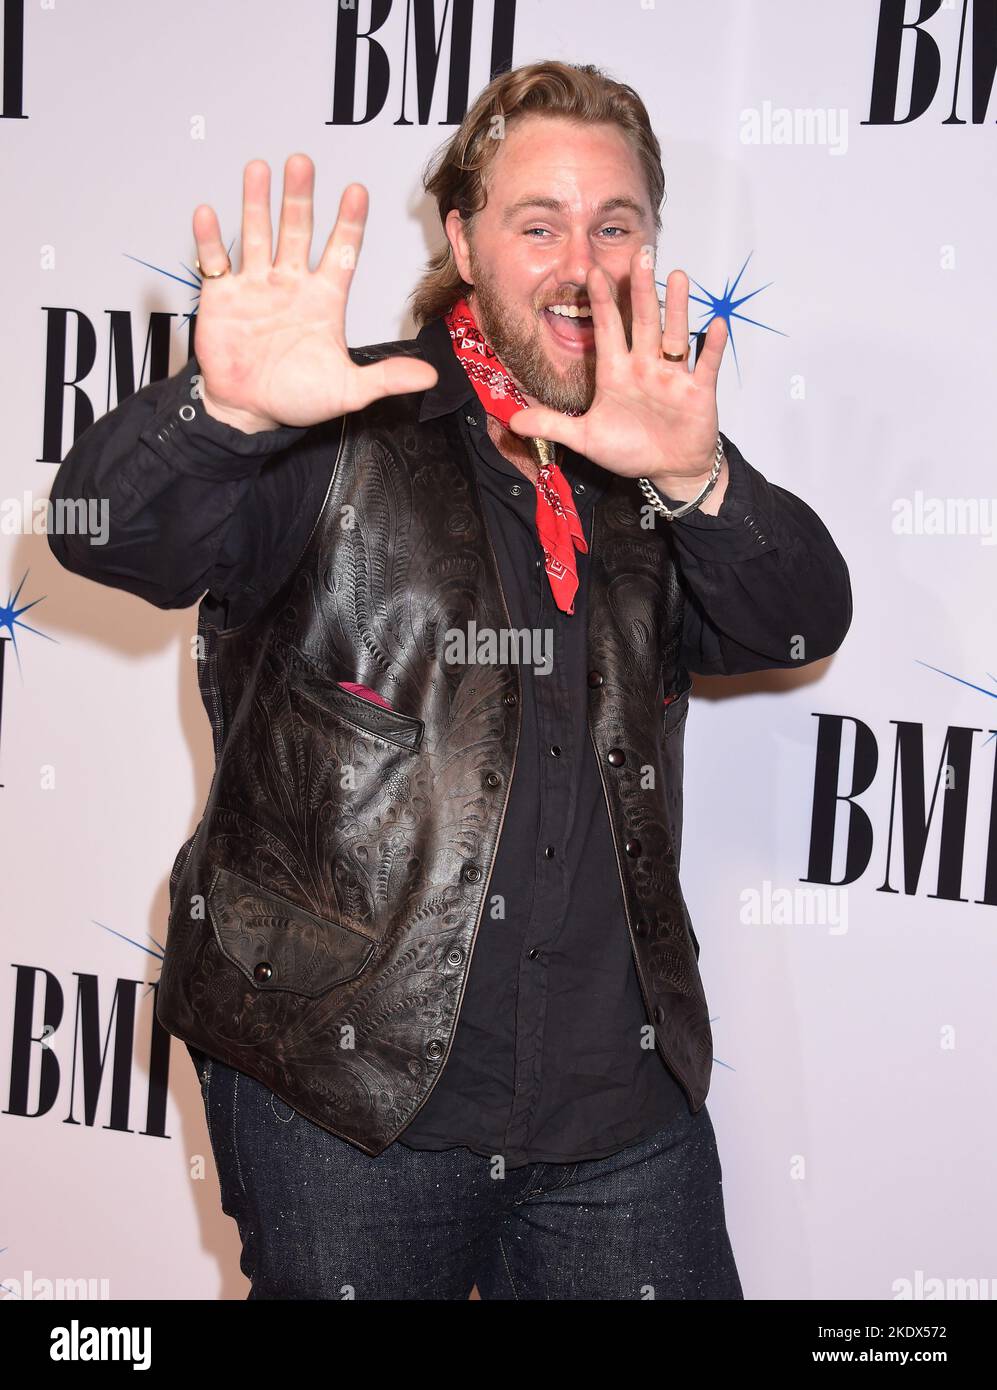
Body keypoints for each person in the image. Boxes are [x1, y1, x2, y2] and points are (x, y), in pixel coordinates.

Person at [48, 60, 851, 1300]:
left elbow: (799, 624)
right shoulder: (339, 417)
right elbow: (105, 534)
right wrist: (220, 413)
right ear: (466, 242)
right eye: (539, 225)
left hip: (614, 1116)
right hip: (341, 1097)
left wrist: (700, 484)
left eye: (614, 225)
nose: (579, 263)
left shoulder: (654, 454)